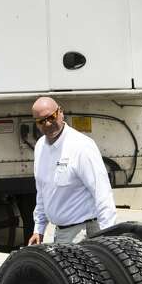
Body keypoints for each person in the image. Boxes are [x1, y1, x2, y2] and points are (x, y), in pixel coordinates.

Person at [27, 96, 118, 245]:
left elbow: (102, 193)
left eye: (51, 117)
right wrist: (39, 229)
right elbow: (42, 192)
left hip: (85, 234)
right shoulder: (40, 147)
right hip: (62, 234)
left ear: (60, 112)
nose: (48, 123)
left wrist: (109, 239)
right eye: (41, 121)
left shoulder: (81, 146)